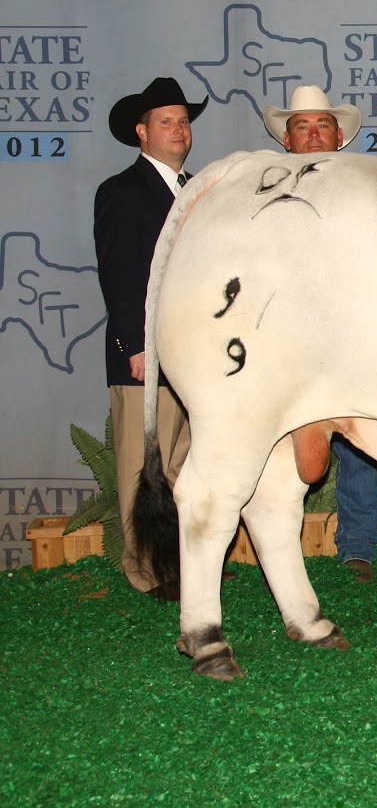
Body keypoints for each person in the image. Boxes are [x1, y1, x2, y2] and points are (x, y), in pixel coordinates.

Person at [93, 77, 206, 599]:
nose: (179, 129)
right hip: (146, 355)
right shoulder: (121, 191)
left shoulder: (197, 189)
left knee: (181, 462)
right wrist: (134, 347)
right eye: (167, 121)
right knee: (143, 464)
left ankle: (182, 565)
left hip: (189, 354)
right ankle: (145, 570)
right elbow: (118, 277)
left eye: (183, 121)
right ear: (142, 132)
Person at [265, 85, 377, 582]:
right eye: (302, 126)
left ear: (339, 136)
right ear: (288, 140)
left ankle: (358, 545)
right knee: (276, 445)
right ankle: (275, 546)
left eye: (322, 125)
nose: (313, 135)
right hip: (288, 336)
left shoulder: (367, 186)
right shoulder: (264, 189)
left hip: (352, 333)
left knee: (360, 441)